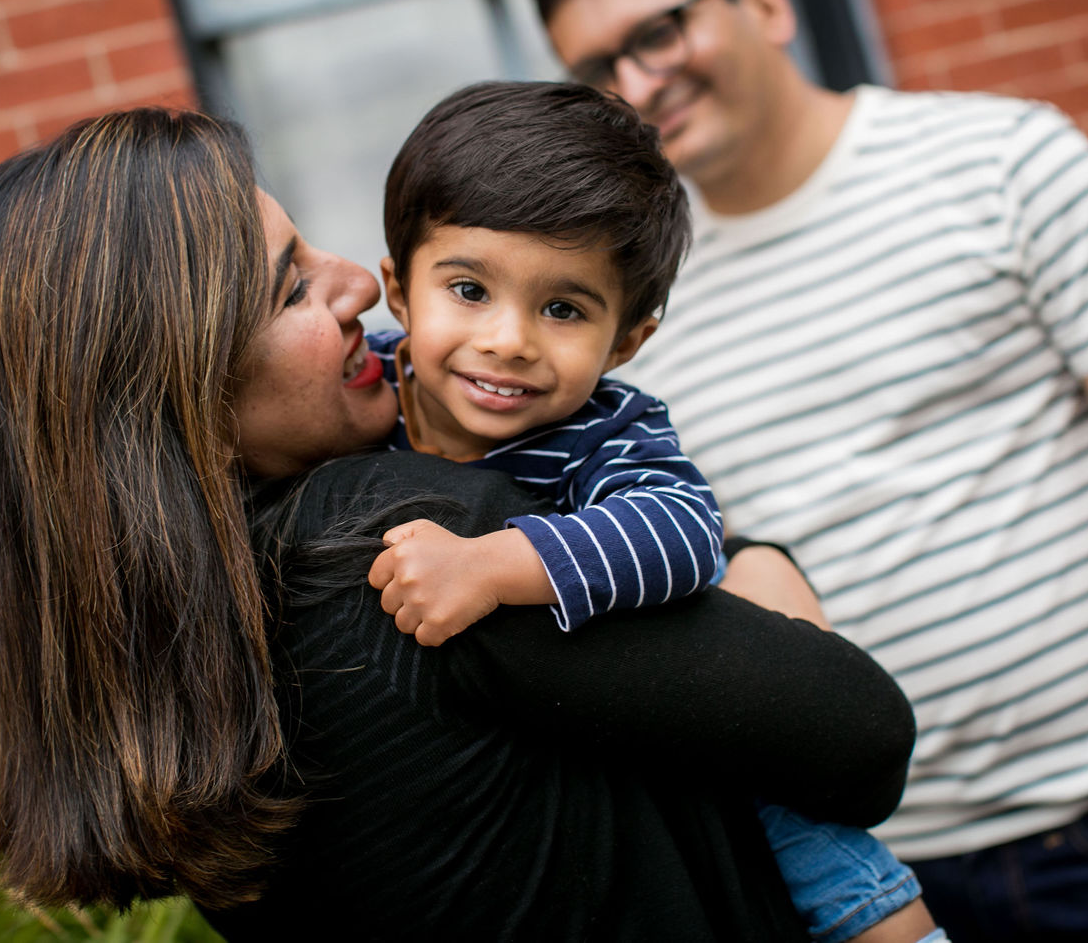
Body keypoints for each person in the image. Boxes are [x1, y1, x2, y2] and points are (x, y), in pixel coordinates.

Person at [0, 106, 920, 940]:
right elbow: (860, 733)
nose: (357, 279)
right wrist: (756, 561)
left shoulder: (189, 651)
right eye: (291, 284)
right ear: (170, 391)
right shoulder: (408, 537)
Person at [533, 0, 1088, 942]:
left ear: (765, 1)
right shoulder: (622, 309)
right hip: (874, 881)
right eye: (595, 69)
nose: (635, 82)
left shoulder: (1000, 162)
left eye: (658, 31)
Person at [363, 78, 941, 943]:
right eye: (469, 290)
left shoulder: (607, 430)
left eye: (563, 308)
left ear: (628, 339)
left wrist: (493, 565)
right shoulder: (362, 397)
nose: (510, 338)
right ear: (400, 291)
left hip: (690, 728)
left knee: (812, 843)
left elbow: (680, 531)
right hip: (538, 809)